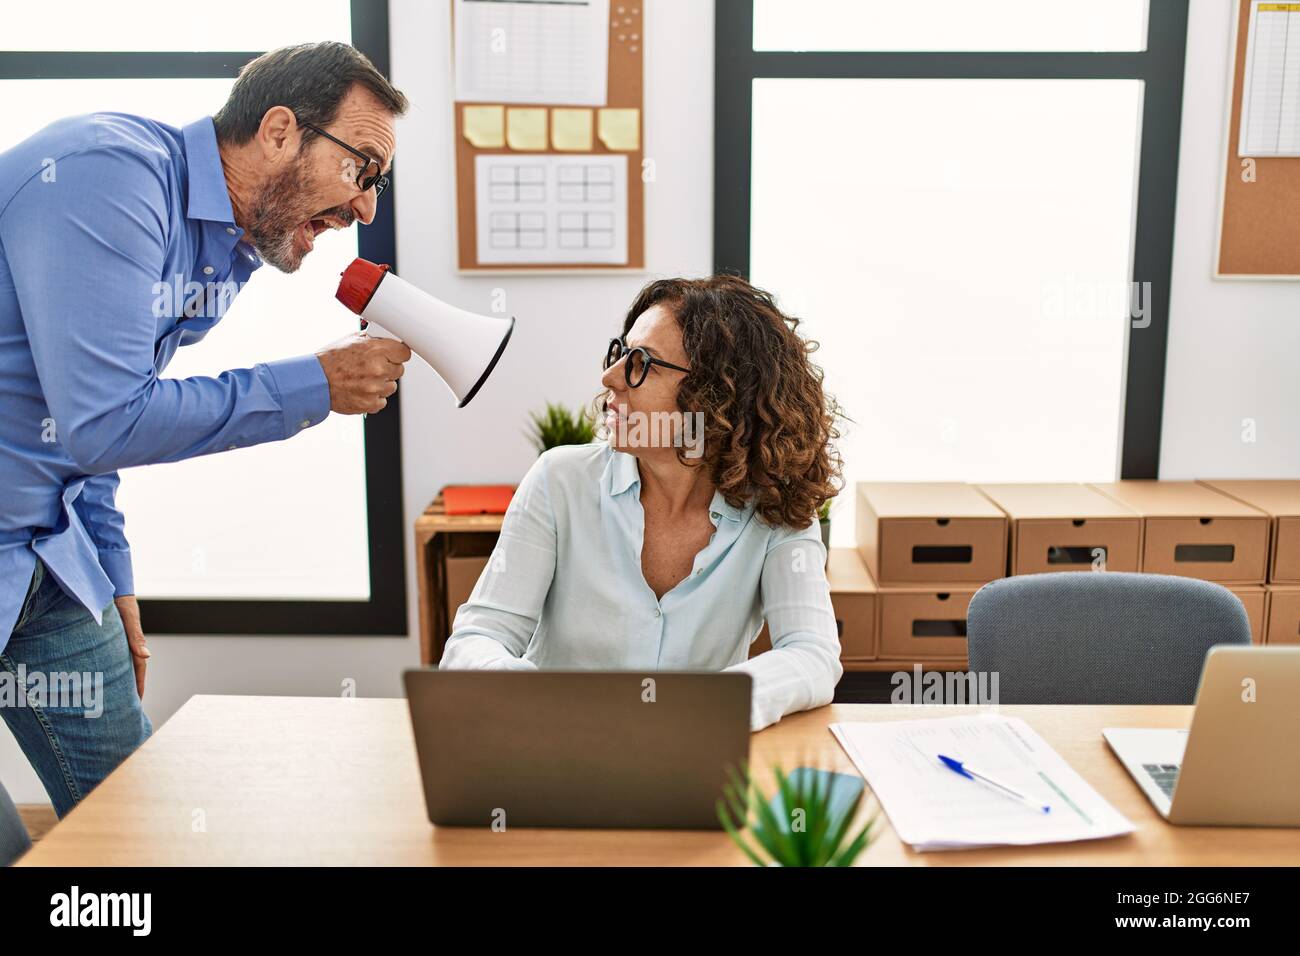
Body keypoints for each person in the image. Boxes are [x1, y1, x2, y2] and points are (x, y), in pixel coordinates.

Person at [0, 42, 412, 816]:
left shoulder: (223, 253)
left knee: (134, 825)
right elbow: (101, 423)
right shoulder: (105, 178)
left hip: (44, 562)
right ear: (282, 130)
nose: (366, 209)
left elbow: (78, 428)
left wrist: (111, 572)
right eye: (362, 168)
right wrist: (315, 384)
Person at [441, 275, 845, 731]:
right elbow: (476, 641)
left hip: (689, 762)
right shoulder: (560, 481)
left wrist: (710, 708)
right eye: (620, 354)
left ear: (719, 395)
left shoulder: (776, 505)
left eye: (642, 364)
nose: (610, 377)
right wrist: (535, 697)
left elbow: (812, 655)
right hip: (555, 752)